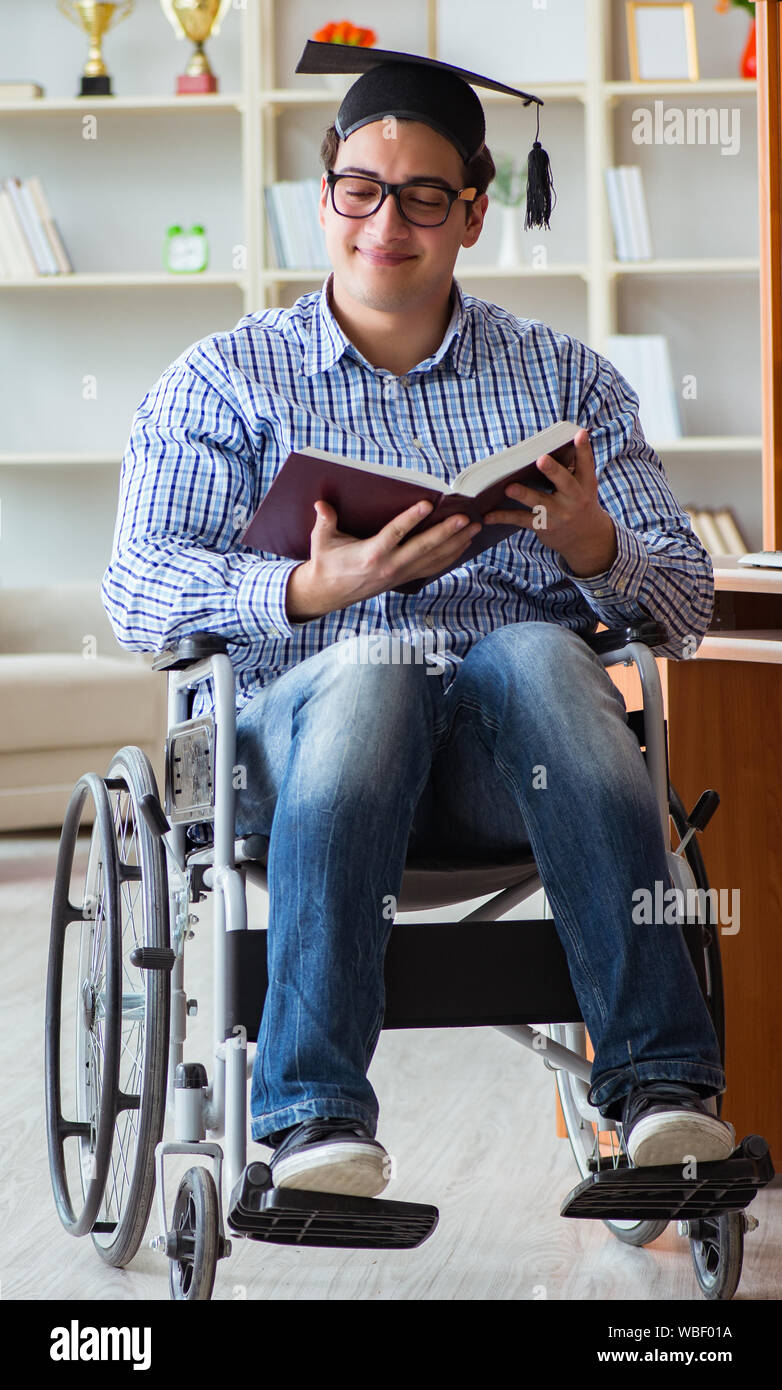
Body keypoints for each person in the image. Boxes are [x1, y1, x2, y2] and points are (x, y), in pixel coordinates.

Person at [102, 45, 734, 1200]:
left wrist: (591, 543)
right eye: (360, 189)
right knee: (369, 669)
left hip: (514, 767)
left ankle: (658, 1093)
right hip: (296, 751)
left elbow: (685, 609)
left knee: (540, 652)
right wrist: (307, 590)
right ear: (326, 194)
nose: (385, 220)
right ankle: (311, 1119)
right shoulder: (222, 381)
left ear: (473, 213)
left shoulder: (566, 384)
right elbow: (137, 590)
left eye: (424, 196)